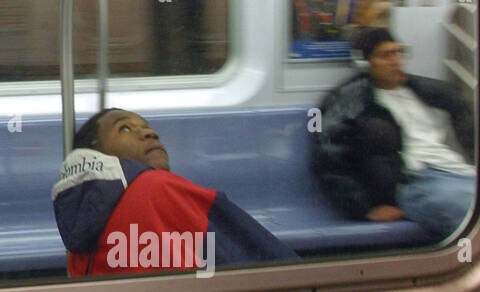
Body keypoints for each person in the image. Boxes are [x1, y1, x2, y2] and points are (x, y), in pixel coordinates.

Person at [52, 109, 297, 277]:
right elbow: (258, 259)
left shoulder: (77, 231)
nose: (150, 133)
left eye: (147, 127)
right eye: (124, 129)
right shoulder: (157, 189)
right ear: (97, 153)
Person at [311, 28, 475, 241]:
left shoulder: (426, 91)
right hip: (415, 182)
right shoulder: (348, 102)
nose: (396, 61)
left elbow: (469, 125)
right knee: (468, 209)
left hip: (457, 170)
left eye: (398, 53)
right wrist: (362, 208)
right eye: (385, 55)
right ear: (365, 63)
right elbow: (328, 158)